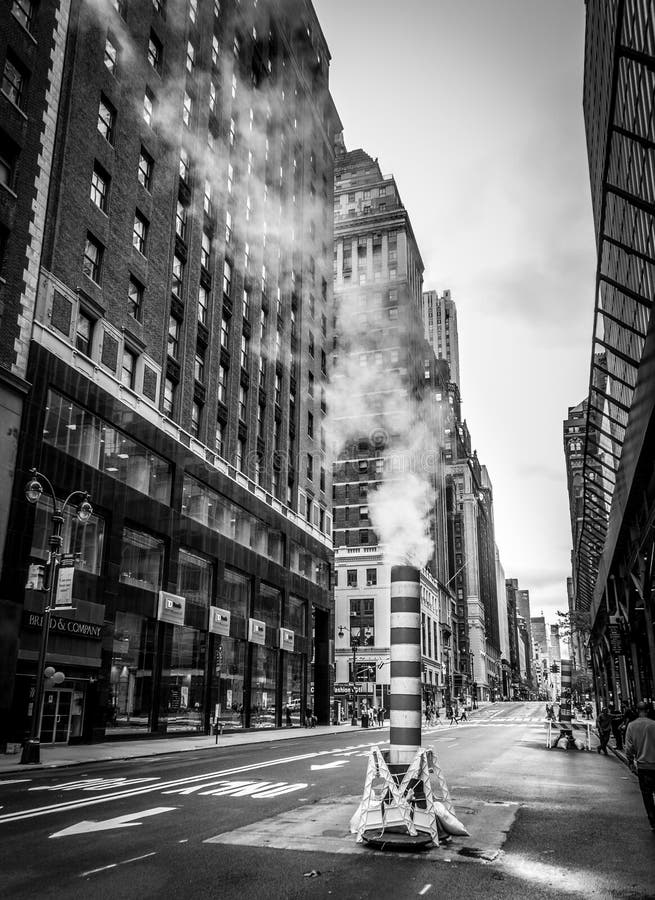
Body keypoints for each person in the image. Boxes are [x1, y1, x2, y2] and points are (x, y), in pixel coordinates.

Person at [625, 701, 655, 832]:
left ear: (637, 711)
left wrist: (630, 762)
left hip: (643, 766)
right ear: (648, 711)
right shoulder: (654, 725)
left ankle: (653, 820)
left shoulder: (631, 726)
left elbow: (629, 747)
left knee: (647, 795)